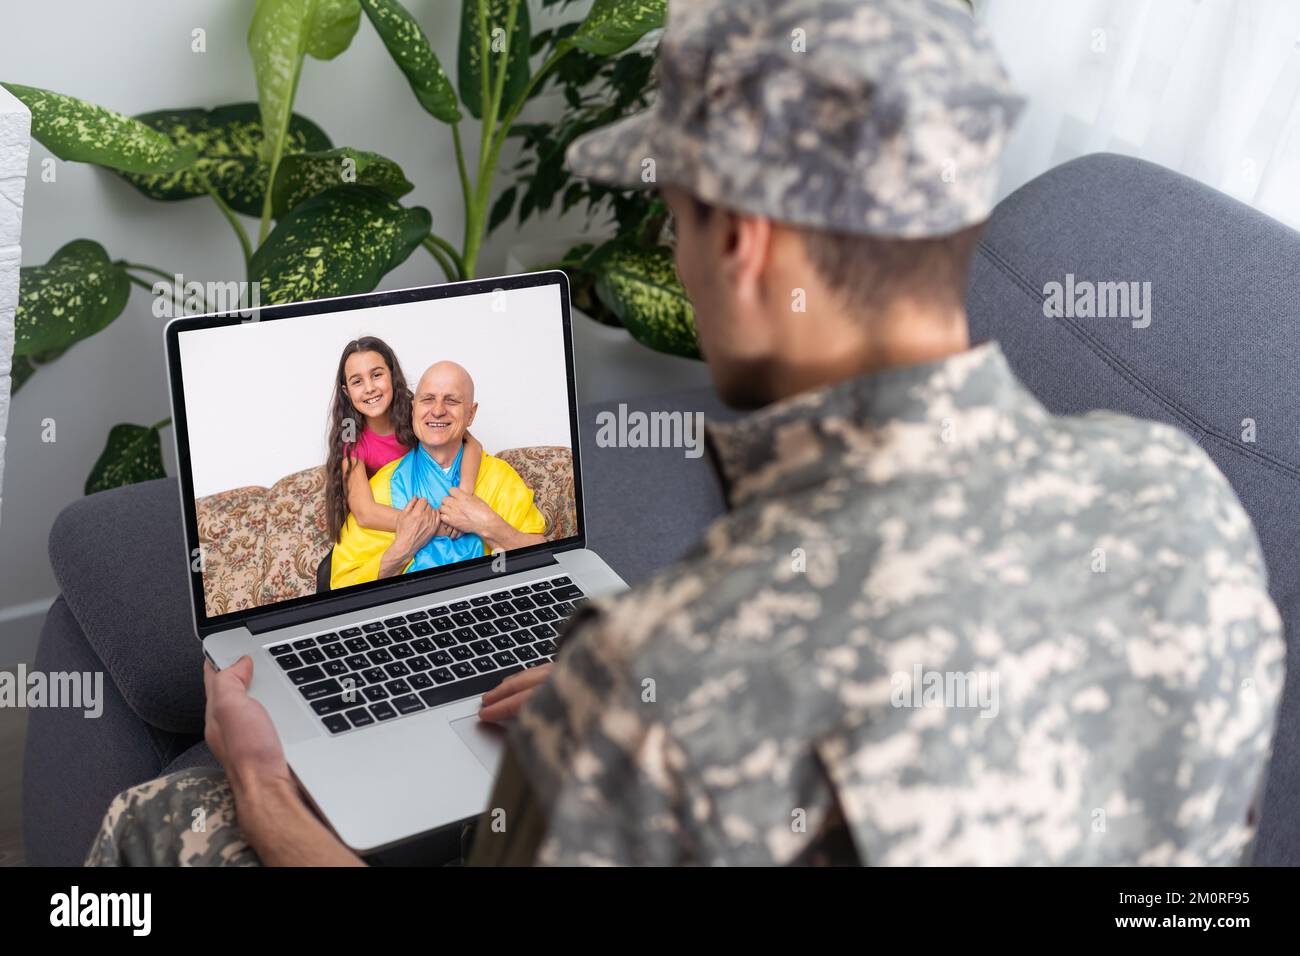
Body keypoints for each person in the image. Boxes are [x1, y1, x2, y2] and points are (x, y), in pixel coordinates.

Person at [87, 0, 1284, 868]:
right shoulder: (1178, 492)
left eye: (675, 218)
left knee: (151, 826)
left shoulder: (666, 675)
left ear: (746, 245)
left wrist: (252, 768)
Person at [329, 361, 546, 588]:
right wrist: (403, 548)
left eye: (451, 400)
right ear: (413, 408)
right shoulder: (379, 483)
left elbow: (544, 558)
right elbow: (341, 584)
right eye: (428, 399)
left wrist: (488, 524)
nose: (438, 410)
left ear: (470, 414)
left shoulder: (499, 478)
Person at [323, 337, 482, 547]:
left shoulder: (417, 411)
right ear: (347, 392)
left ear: (392, 376)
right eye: (357, 381)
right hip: (390, 530)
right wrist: (432, 525)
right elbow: (365, 513)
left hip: (432, 506)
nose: (369, 388)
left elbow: (473, 445)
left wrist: (463, 499)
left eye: (377, 375)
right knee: (329, 575)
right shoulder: (350, 436)